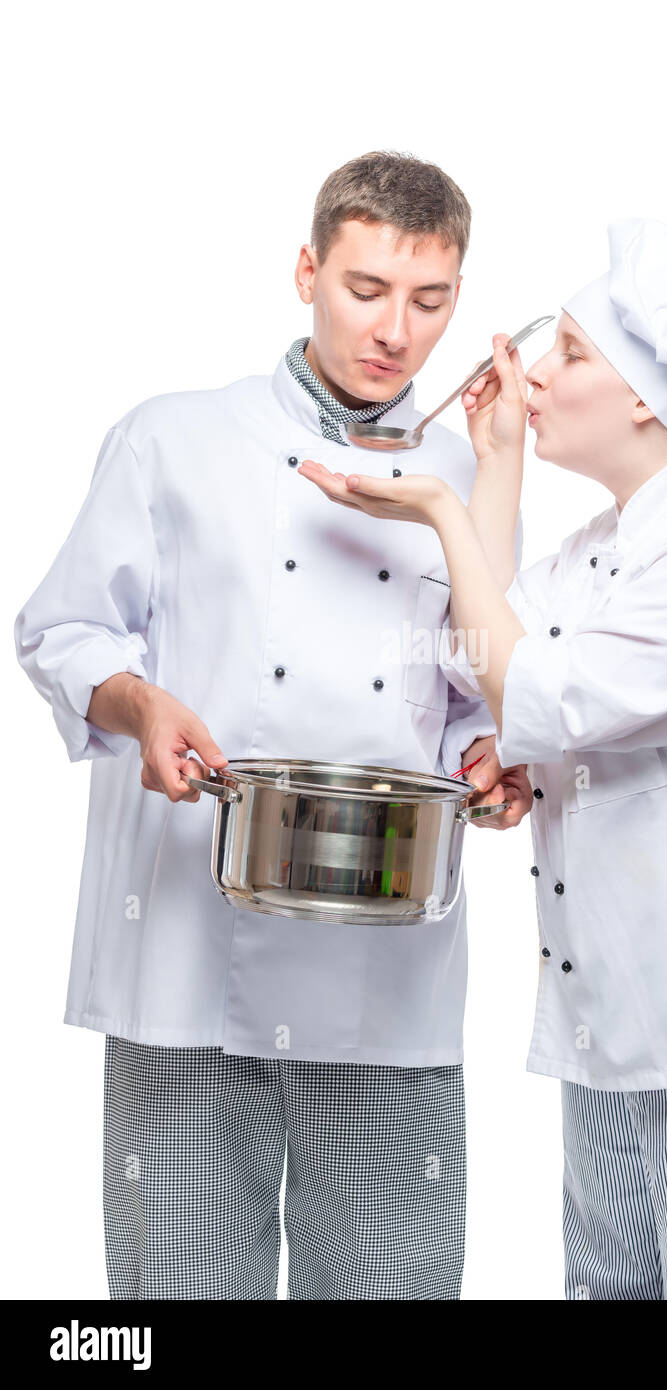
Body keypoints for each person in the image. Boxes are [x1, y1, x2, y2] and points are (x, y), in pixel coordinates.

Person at [298, 218, 667, 1301]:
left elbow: (531, 690)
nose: (535, 372)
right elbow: (479, 653)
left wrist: (446, 505)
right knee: (612, 1290)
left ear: (646, 398)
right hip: (610, 1008)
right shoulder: (607, 546)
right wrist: (497, 462)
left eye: (573, 356)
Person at [13, 150, 532, 1301]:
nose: (396, 330)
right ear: (307, 270)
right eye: (365, 290)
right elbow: (63, 633)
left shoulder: (465, 473)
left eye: (430, 302)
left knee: (393, 1288)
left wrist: (493, 764)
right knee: (178, 1295)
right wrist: (137, 701)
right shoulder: (174, 438)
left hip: (383, 972)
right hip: (189, 961)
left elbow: (475, 695)